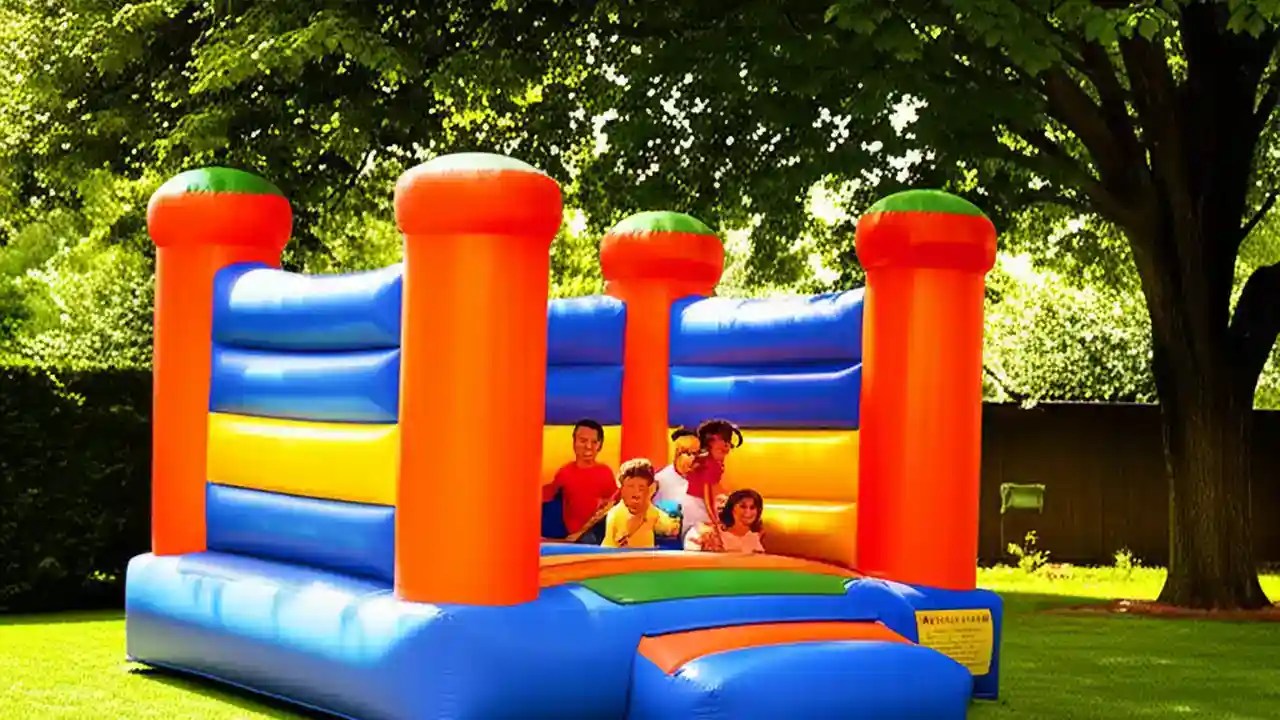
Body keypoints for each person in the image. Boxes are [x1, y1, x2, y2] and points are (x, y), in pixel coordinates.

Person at [541, 419, 617, 544]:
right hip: (572, 535)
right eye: (583, 441)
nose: (588, 446)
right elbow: (547, 496)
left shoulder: (605, 472)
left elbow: (613, 505)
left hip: (595, 534)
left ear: (600, 445)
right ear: (574, 442)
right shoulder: (565, 472)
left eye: (594, 442)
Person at [679, 419, 743, 544]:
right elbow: (708, 496)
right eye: (723, 441)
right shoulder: (710, 464)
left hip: (694, 503)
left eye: (728, 442)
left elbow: (713, 490)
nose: (727, 446)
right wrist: (715, 520)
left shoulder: (711, 462)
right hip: (697, 506)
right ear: (709, 443)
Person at [601, 459, 680, 548]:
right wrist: (641, 515)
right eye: (630, 487)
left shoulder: (649, 509)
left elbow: (667, 526)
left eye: (641, 488)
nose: (636, 494)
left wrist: (673, 526)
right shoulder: (616, 514)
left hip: (645, 559)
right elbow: (622, 539)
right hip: (616, 558)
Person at [685, 489, 765, 553]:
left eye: (752, 507)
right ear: (731, 509)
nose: (748, 512)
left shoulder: (754, 536)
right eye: (743, 507)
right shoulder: (709, 533)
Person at [653, 427, 699, 506]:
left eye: (697, 454)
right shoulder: (660, 480)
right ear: (677, 454)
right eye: (689, 454)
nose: (694, 459)